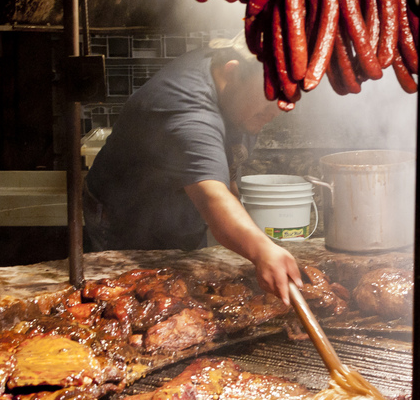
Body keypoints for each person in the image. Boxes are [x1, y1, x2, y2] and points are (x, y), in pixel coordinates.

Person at [83, 36, 302, 304]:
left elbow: (224, 173)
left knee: (184, 297)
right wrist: (262, 250)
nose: (278, 108)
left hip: (180, 210)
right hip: (126, 215)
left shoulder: (230, 83)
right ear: (232, 72)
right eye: (271, 95)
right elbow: (212, 197)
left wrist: (249, 235)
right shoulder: (186, 108)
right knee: (131, 301)